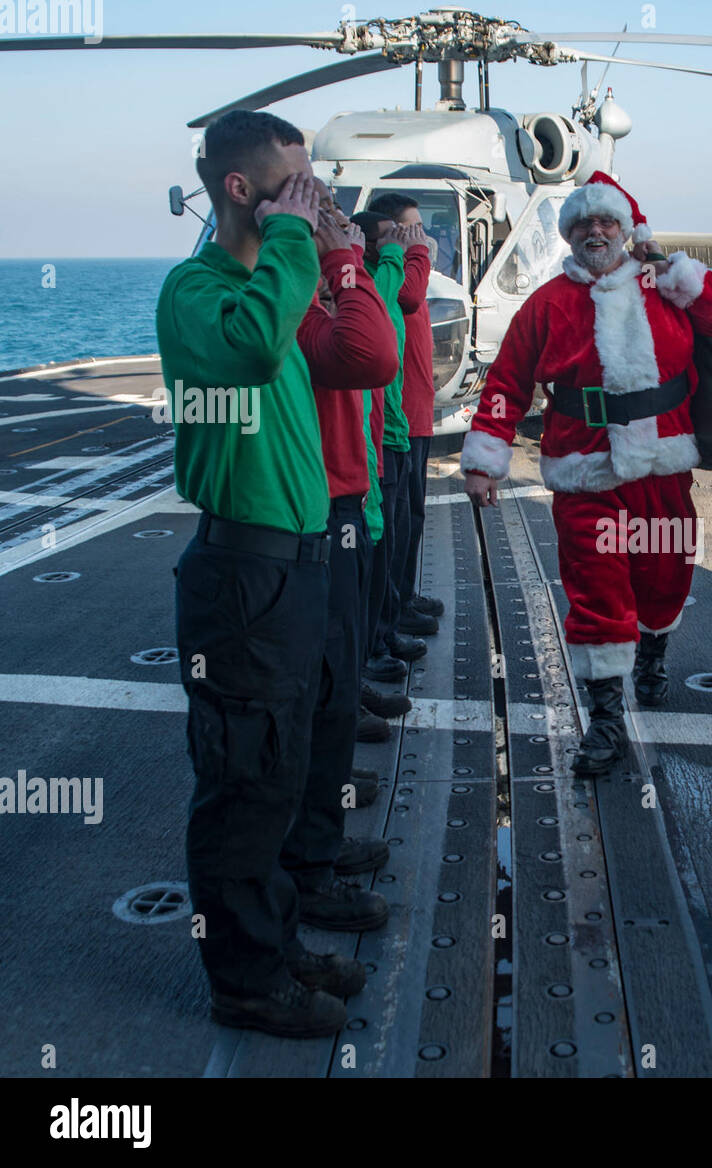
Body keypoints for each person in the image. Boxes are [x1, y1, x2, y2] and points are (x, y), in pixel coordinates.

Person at [157, 109, 361, 1038]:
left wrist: (336, 258)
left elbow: (358, 357)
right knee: (243, 780)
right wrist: (292, 237)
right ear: (241, 192)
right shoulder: (197, 293)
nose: (309, 199)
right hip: (242, 573)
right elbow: (249, 347)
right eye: (293, 183)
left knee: (280, 772)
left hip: (295, 569)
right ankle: (243, 979)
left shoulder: (276, 287)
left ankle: (272, 942)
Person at [458, 171, 712, 774]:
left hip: (664, 468)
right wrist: (487, 459)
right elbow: (508, 382)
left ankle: (654, 650)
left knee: (665, 577)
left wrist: (674, 267)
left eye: (607, 221)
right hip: (584, 470)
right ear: (569, 235)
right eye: (584, 223)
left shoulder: (665, 284)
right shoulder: (546, 304)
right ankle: (606, 721)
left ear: (627, 229)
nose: (596, 230)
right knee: (595, 590)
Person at [291, 185, 399, 929]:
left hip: (346, 498)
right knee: (321, 693)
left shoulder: (316, 290)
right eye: (314, 198)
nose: (331, 210)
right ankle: (307, 867)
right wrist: (343, 256)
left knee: (337, 686)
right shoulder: (292, 298)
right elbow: (370, 354)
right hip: (317, 510)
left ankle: (318, 847)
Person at [352, 211, 432, 684]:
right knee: (377, 551)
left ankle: (384, 631)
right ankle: (372, 647)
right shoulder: (377, 287)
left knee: (395, 539)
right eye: (392, 236)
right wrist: (410, 249)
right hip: (380, 440)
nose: (401, 242)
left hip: (394, 431)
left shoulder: (382, 279)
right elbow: (402, 297)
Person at [368, 193, 447, 634]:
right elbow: (412, 297)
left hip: (417, 413)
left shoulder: (406, 268)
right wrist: (411, 248)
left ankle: (403, 593)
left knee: (412, 516)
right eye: (414, 229)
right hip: (401, 418)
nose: (425, 240)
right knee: (398, 522)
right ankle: (392, 608)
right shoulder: (396, 275)